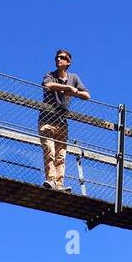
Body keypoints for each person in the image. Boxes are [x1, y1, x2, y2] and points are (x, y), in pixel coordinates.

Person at [40, 49, 89, 191]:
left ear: (68, 62)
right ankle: (51, 180)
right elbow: (48, 85)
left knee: (61, 155)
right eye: (57, 57)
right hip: (46, 119)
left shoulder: (73, 77)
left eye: (62, 58)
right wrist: (67, 87)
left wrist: (75, 91)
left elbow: (87, 95)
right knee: (50, 150)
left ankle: (59, 184)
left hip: (62, 122)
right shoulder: (50, 75)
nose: (58, 60)